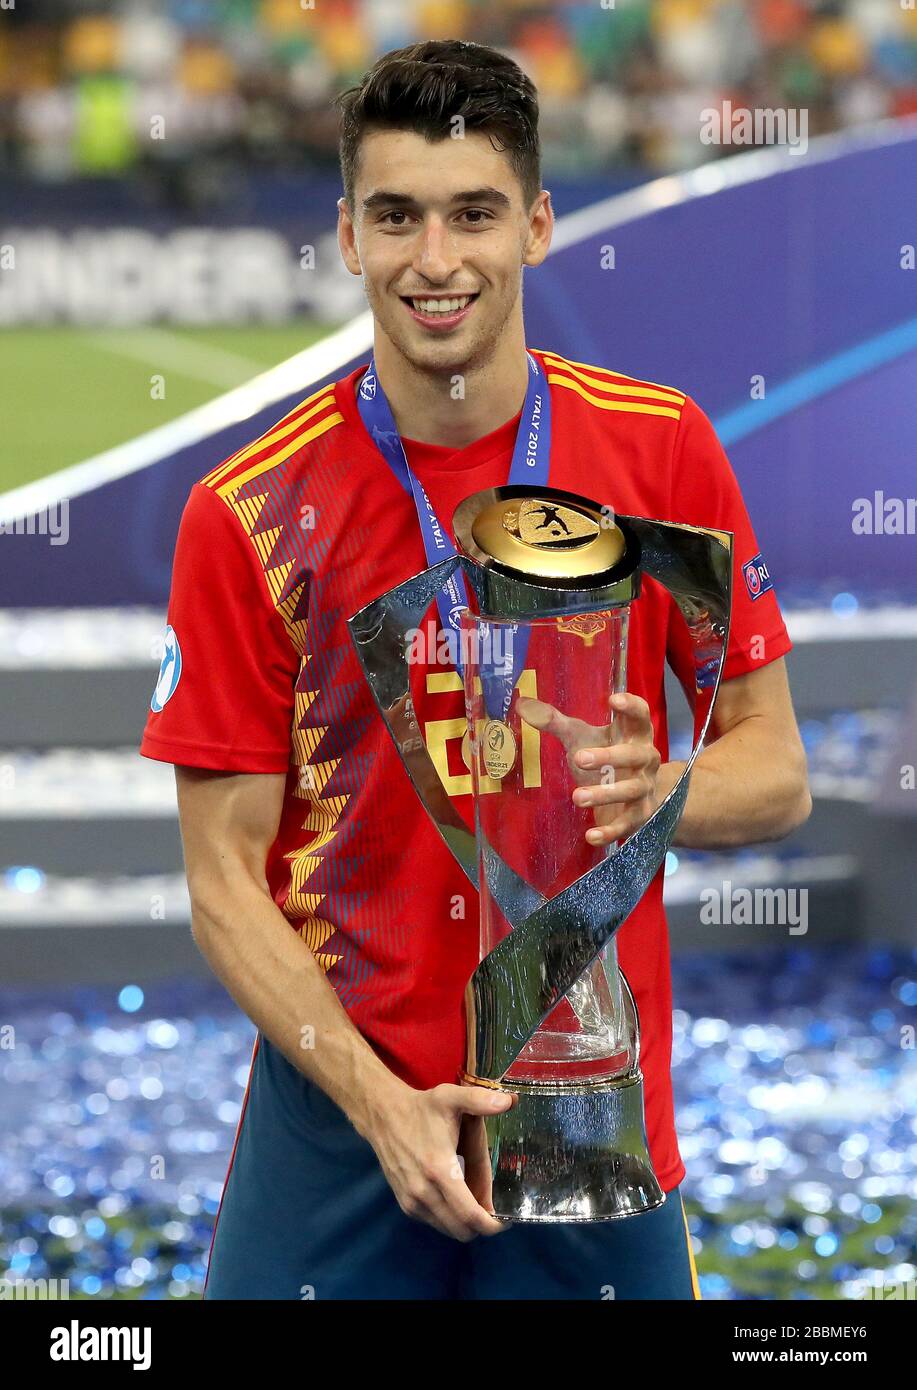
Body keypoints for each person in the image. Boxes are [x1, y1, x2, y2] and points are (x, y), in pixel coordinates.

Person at [140, 39, 811, 1300]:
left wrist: (666, 792)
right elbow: (221, 876)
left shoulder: (659, 454)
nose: (434, 259)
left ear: (539, 226)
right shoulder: (245, 510)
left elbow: (775, 767)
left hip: (583, 1106)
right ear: (346, 234)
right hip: (334, 1113)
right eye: (395, 215)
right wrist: (375, 1099)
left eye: (472, 214)